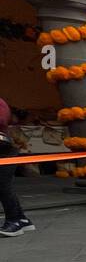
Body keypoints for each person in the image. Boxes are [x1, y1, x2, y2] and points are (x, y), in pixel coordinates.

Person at [0, 96, 34, 237]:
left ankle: (14, 221)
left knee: (2, 186)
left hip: (3, 150)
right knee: (3, 185)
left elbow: (2, 120)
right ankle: (22, 219)